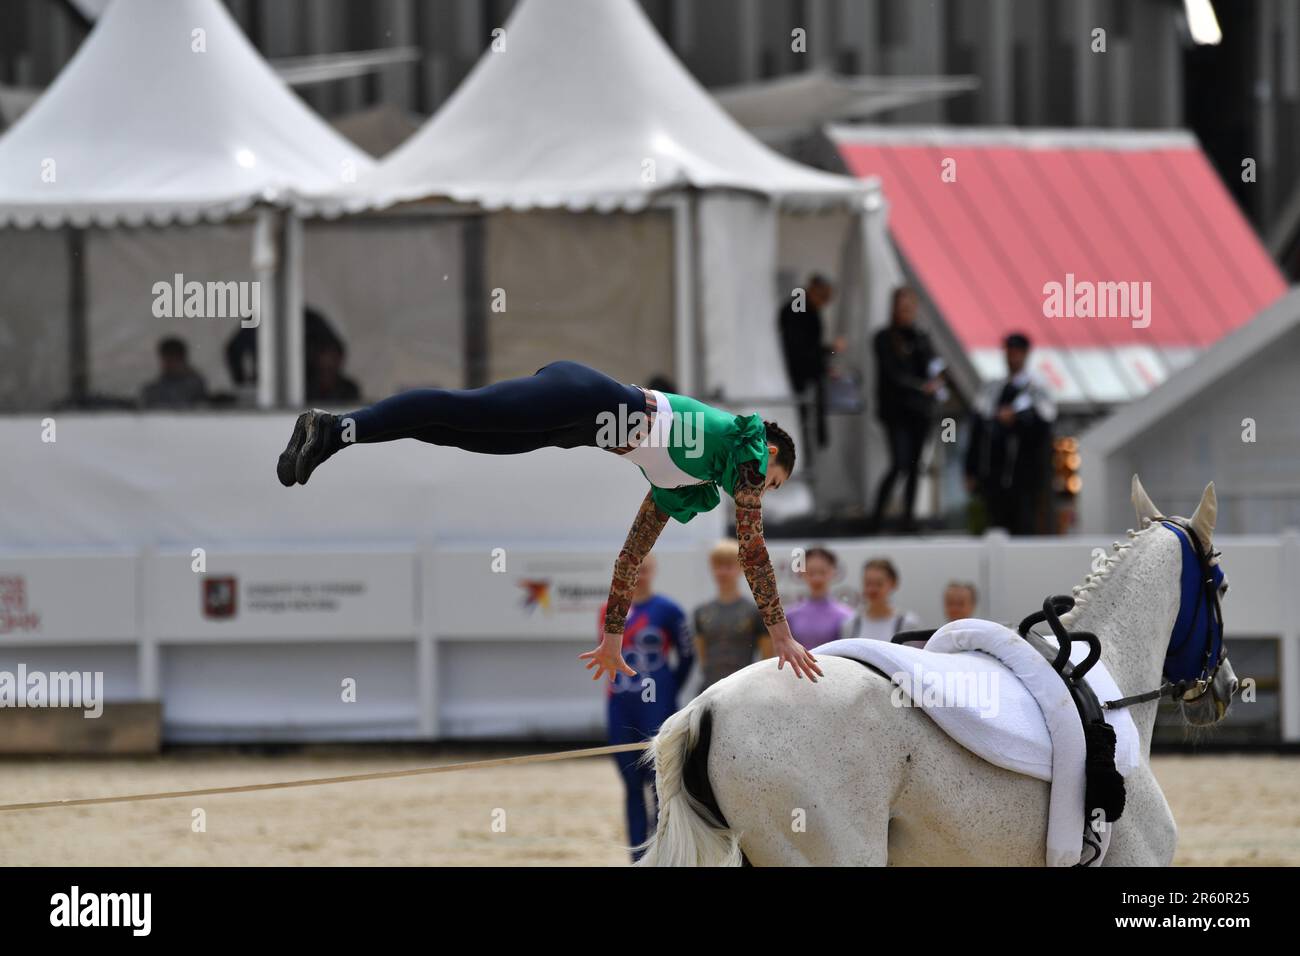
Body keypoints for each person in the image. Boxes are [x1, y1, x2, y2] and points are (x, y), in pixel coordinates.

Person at [277, 359, 822, 682]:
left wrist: (613, 639)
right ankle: (332, 426)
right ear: (770, 451)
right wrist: (782, 635)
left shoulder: (689, 485)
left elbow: (631, 555)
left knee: (457, 432)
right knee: (465, 411)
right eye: (772, 480)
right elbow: (750, 546)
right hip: (589, 396)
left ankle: (335, 435)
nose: (759, 491)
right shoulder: (747, 442)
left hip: (580, 427)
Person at [596, 554, 691, 861]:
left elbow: (686, 656)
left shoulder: (669, 610)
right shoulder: (609, 610)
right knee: (630, 782)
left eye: (645, 569)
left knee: (660, 784)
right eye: (633, 571)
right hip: (620, 704)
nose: (639, 576)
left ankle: (664, 854)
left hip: (657, 705)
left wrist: (667, 688)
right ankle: (637, 858)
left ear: (654, 571)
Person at [964, 332, 1057, 535]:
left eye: (1016, 352)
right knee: (996, 527)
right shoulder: (993, 389)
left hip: (1025, 478)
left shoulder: (1036, 390)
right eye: (1009, 352)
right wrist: (971, 469)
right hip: (994, 477)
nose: (1012, 357)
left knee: (1024, 527)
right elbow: (977, 431)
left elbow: (1044, 428)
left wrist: (1018, 419)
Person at [871, 287, 943, 533]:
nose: (906, 314)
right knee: (899, 463)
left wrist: (934, 384)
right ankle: (876, 517)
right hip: (896, 412)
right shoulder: (883, 338)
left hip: (919, 413)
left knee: (914, 465)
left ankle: (908, 519)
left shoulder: (920, 338)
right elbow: (892, 374)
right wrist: (921, 387)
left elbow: (933, 366)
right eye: (902, 309)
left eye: (910, 309)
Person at [778, 274, 842, 458]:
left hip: (806, 375)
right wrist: (829, 351)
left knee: (806, 422)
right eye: (824, 296)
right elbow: (801, 349)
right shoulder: (799, 310)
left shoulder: (806, 310)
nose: (825, 302)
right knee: (802, 422)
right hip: (799, 377)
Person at [693, 540, 770, 689]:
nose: (722, 572)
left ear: (741, 567)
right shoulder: (700, 612)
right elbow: (703, 661)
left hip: (742, 690)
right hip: (709, 689)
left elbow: (766, 659)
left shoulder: (755, 612)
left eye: (728, 566)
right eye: (718, 566)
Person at [786, 546, 855, 650]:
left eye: (822, 572)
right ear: (802, 573)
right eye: (811, 573)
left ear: (833, 572)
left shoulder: (846, 616)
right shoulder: (790, 616)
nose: (817, 578)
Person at [841, 557, 922, 641]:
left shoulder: (907, 623)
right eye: (868, 583)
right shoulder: (851, 624)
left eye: (879, 584)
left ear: (893, 584)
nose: (872, 589)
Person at [140, 337, 207, 409]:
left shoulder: (194, 386)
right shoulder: (154, 388)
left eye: (172, 360)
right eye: (166, 360)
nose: (168, 364)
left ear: (181, 360)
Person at [306, 338, 361, 404]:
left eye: (333, 357)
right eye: (324, 356)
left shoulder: (349, 389)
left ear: (340, 359)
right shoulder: (306, 386)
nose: (328, 362)